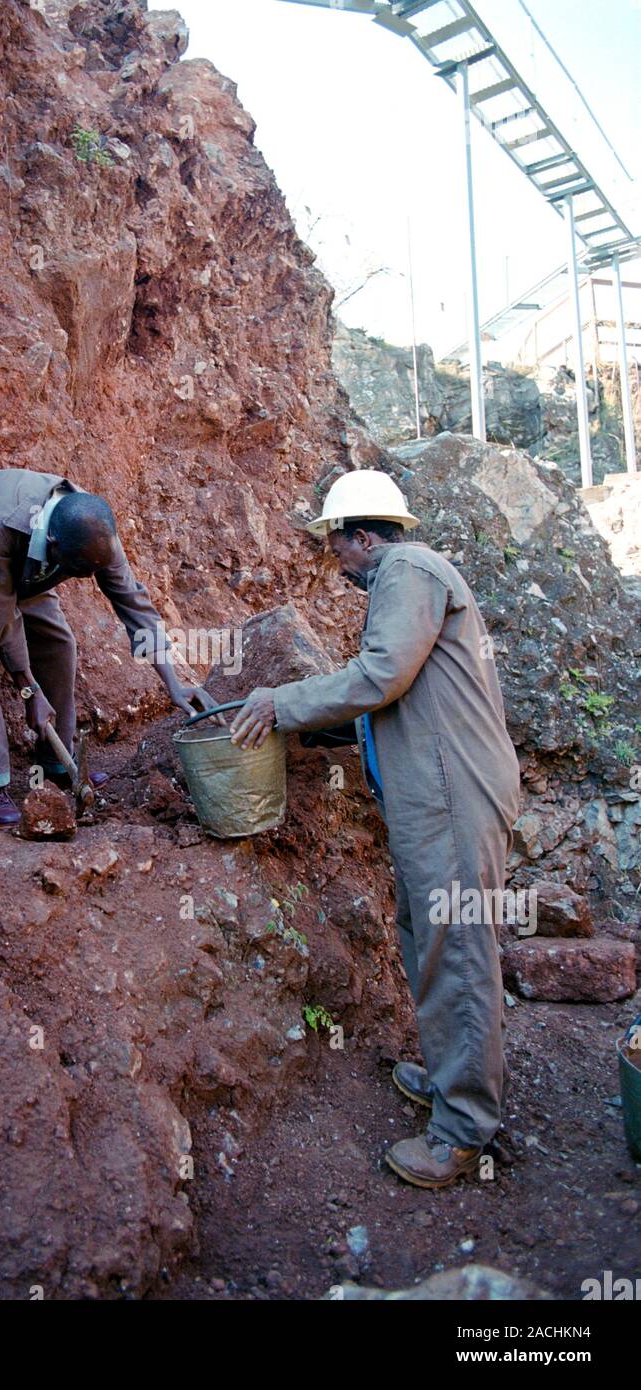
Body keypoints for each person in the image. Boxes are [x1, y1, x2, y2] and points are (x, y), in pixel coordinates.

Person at [230, 469, 521, 1189]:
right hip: (437, 795)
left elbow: (382, 672)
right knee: (428, 942)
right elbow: (395, 693)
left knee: (454, 954)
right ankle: (453, 1081)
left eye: (337, 546)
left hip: (453, 797)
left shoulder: (409, 569)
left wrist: (281, 701)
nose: (335, 561)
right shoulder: (409, 578)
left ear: (365, 536)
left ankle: (460, 1132)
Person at [0, 469, 216, 828]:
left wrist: (173, 683)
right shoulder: (1, 525)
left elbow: (133, 604)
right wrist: (28, 689)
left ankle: (58, 765)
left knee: (60, 642)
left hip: (29, 558)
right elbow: (4, 617)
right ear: (55, 546)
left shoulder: (95, 533)